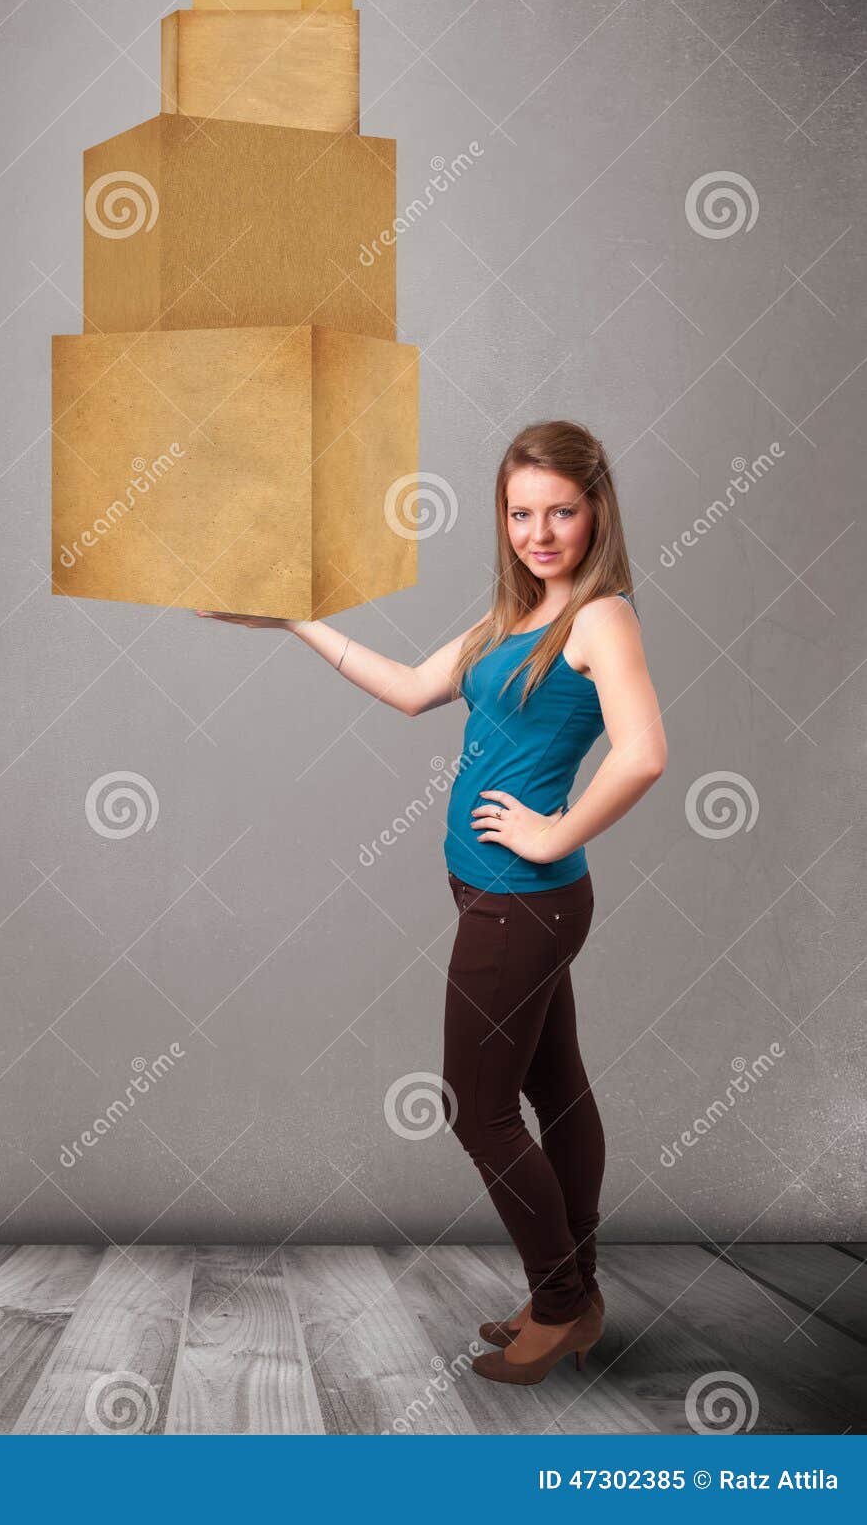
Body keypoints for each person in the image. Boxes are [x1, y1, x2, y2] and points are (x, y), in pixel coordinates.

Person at [196, 420, 667, 1386]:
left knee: (479, 1111)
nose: (540, 533)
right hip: (503, 897)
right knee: (555, 1092)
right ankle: (573, 1293)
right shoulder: (517, 614)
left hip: (523, 899)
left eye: (561, 513)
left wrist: (553, 833)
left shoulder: (600, 619)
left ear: (597, 512)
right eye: (521, 514)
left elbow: (645, 753)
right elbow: (413, 688)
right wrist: (295, 622)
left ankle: (561, 1304)